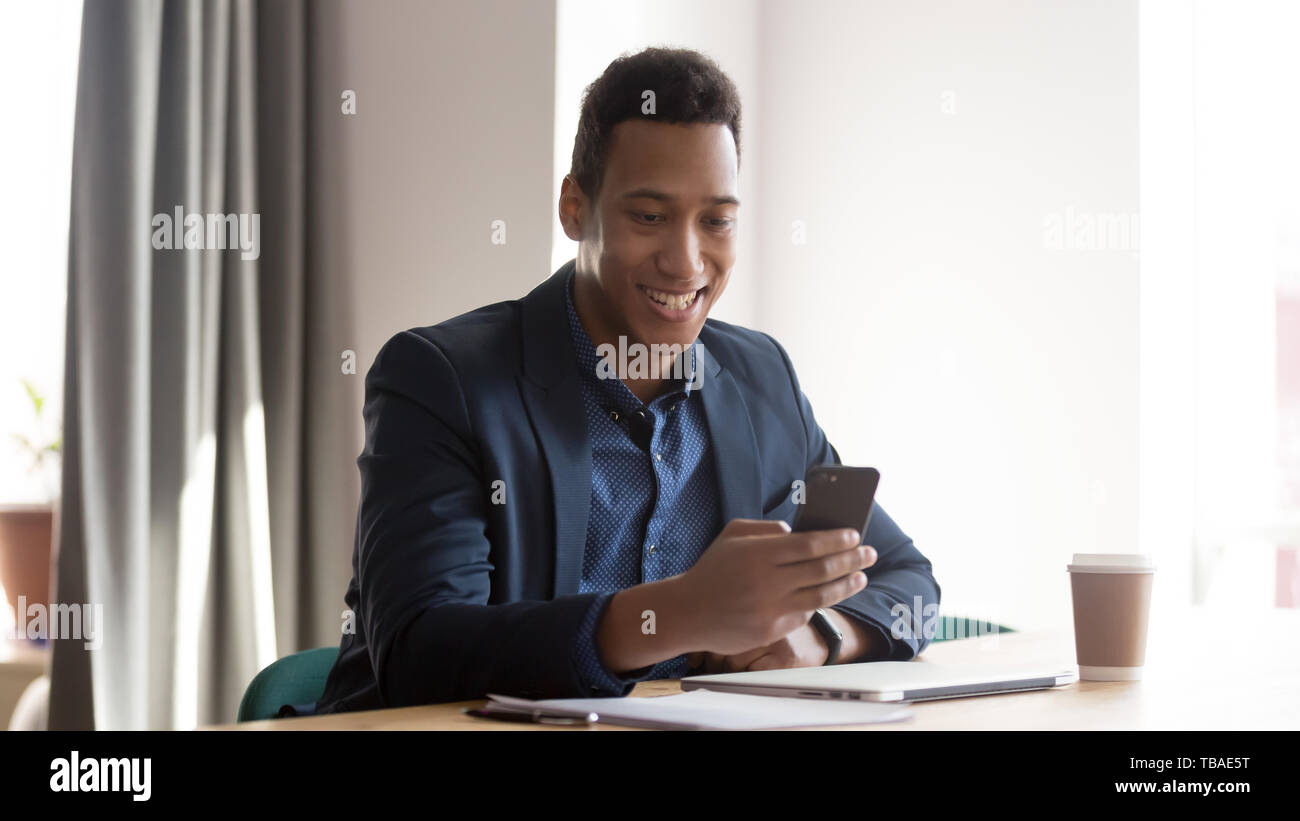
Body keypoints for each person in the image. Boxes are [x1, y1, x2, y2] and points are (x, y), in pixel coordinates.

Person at [309, 46, 940, 715]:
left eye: (716, 220)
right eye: (649, 216)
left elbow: (909, 581)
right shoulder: (443, 380)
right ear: (575, 208)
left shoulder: (762, 379)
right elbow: (419, 652)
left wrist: (821, 635)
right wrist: (678, 613)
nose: (686, 260)